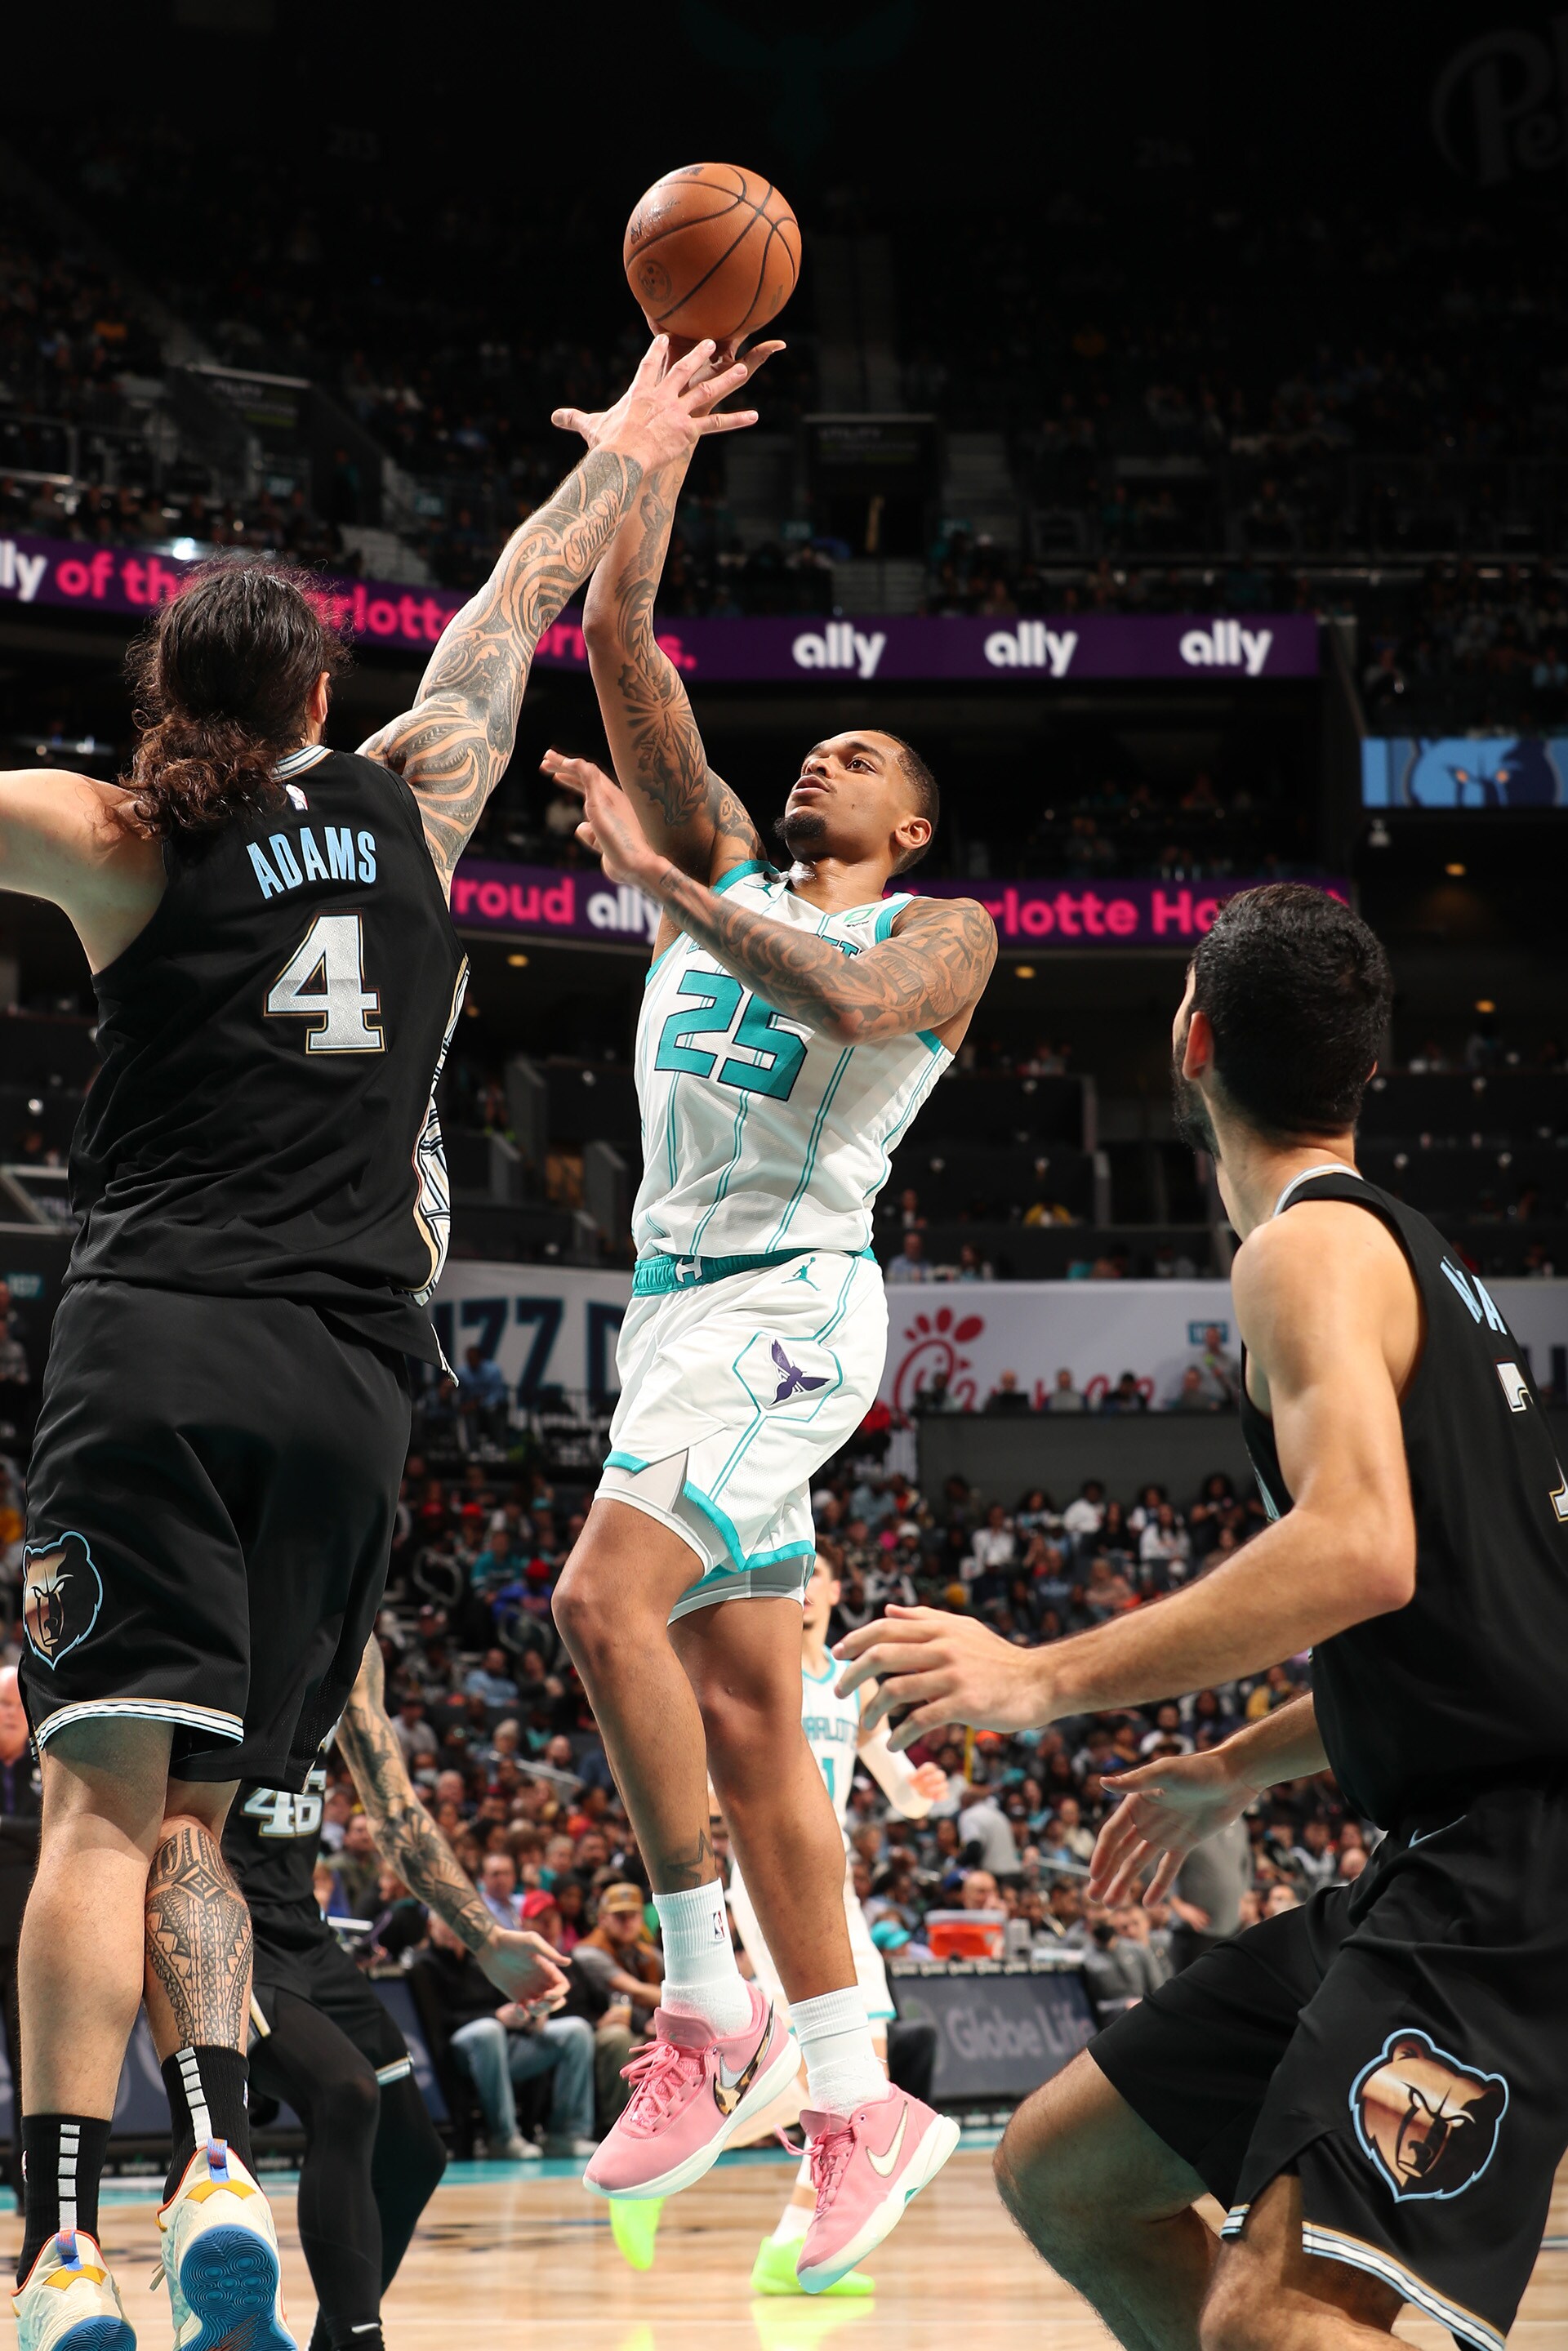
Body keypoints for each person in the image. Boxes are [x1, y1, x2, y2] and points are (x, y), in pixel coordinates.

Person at [5, 333, 751, 2349]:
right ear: (330, 699)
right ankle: (230, 2173)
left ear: (174, 702)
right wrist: (630, 452)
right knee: (210, 1824)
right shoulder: (417, 797)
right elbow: (512, 599)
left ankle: (79, 2230)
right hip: (344, 1383)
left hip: (151, 1339)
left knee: (103, 1803)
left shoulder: (118, 835)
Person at [837, 882, 1568, 2351]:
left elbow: (1356, 1549)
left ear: (1191, 1035)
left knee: (1274, 2317)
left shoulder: (1303, 1247)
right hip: (1455, 1840)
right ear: (1364, 1067)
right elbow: (1477, 1624)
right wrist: (1233, 1768)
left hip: (1510, 1866)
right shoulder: (1433, 1263)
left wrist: (1035, 1675)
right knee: (1066, 2168)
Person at [537, 351, 995, 2289]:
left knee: (592, 1603)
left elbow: (857, 1013)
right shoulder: (715, 856)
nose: (829, 762)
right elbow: (621, 639)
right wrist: (642, 466)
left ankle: (704, 1997)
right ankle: (857, 2086)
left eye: (869, 765)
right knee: (744, 1718)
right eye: (822, 751)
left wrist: (664, 887)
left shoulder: (940, 933)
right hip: (675, 1317)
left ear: (911, 830)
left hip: (800, 1308)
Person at [227, 1635, 565, 2351]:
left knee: (414, 2153)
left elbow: (396, 1809)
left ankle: (332, 2340)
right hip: (217, 1923)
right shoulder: (226, 1597)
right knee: (345, 2093)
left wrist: (484, 1936)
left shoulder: (350, 1637)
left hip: (302, 1929)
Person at [718, 1552, 947, 2295]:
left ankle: (780, 2235)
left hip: (832, 1882)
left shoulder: (855, 1684)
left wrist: (922, 1792)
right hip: (767, 1878)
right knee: (842, 2069)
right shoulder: (756, 1667)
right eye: (796, 1570)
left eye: (817, 1571)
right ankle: (776, 2228)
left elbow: (901, 1793)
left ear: (836, 1589)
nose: (807, 1584)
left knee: (838, 2074)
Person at [412, 1913, 596, 2162]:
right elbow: (435, 2023)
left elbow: (507, 2003)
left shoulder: (481, 1961)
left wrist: (528, 2014)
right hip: (458, 2052)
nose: (453, 1928)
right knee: (488, 2030)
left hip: (504, 2042)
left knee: (576, 2030)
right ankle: (503, 2137)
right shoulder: (423, 1965)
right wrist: (496, 2017)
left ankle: (566, 2134)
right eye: (446, 1920)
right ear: (431, 1925)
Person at [0, 1669, 38, 2203]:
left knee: (30, 2061)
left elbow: (54, 1829)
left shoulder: (45, 1767)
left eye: (15, 1701)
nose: (8, 1708)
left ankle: (29, 2172)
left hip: (26, 1945)